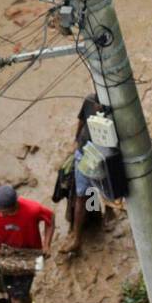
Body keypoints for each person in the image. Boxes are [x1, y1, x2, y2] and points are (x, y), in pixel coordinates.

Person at [60, 94, 104, 256]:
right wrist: (75, 142)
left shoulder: (117, 111)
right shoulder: (90, 101)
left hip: (102, 156)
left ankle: (96, 218)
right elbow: (81, 121)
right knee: (83, 192)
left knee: (91, 190)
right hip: (85, 152)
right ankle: (81, 234)